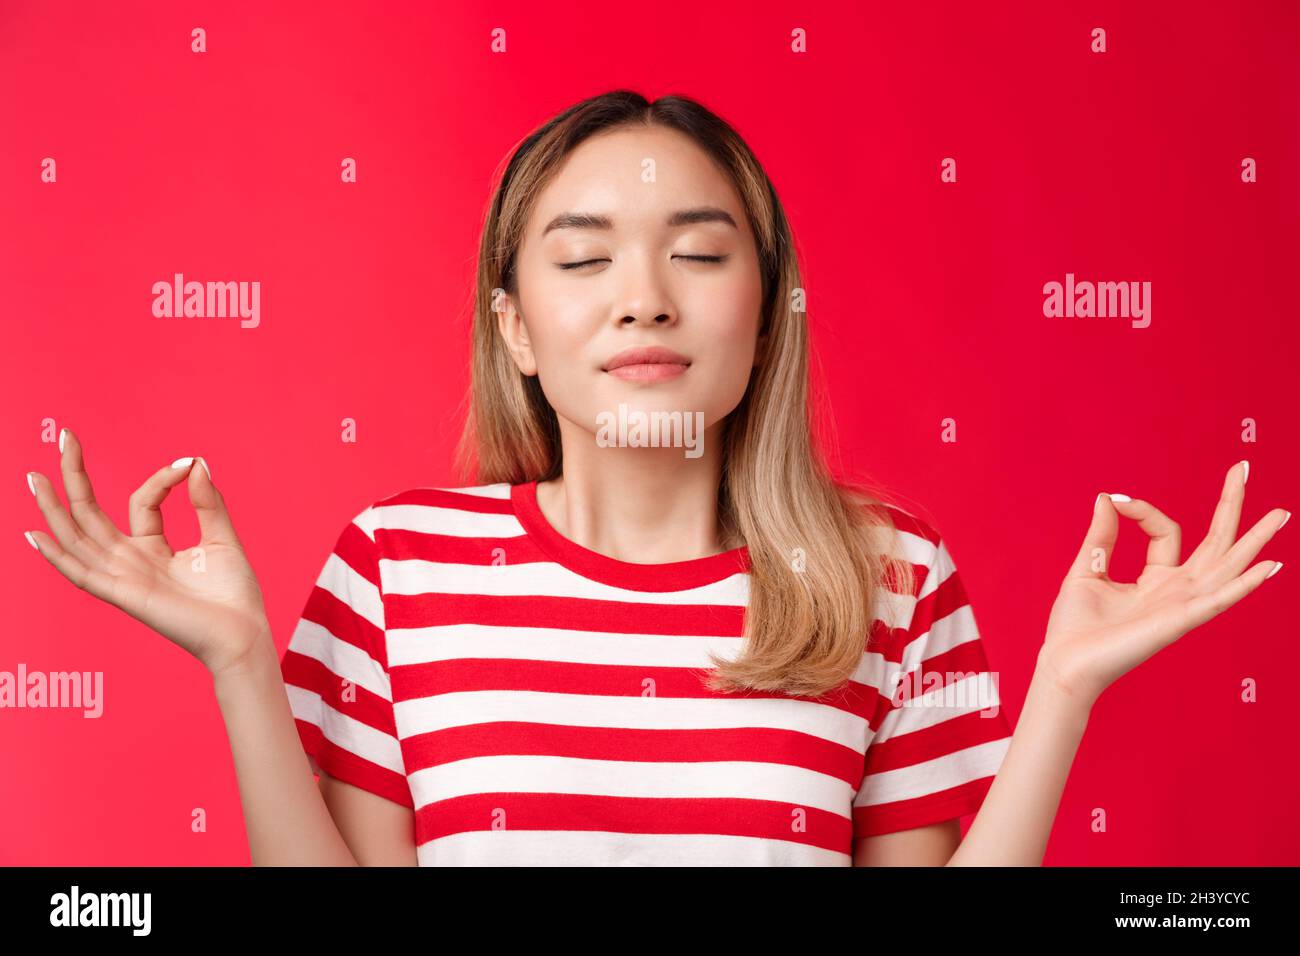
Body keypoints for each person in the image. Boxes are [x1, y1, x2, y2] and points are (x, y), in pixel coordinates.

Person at [23, 90, 1288, 867]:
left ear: (766, 313)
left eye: (698, 252)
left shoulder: (889, 575)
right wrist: (241, 666)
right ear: (515, 330)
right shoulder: (394, 567)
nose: (643, 300)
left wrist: (1062, 691)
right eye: (582, 262)